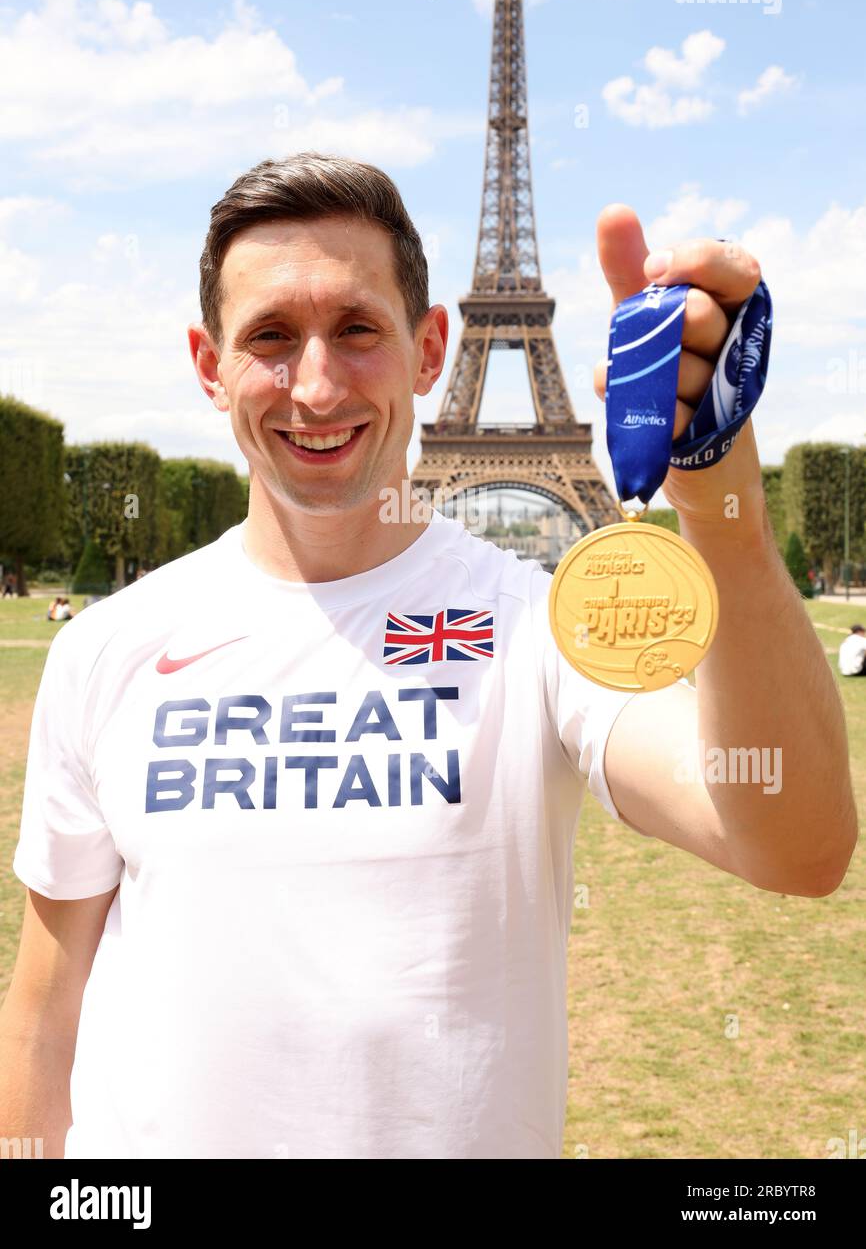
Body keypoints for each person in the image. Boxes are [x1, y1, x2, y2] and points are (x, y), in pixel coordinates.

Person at [0, 153, 857, 1161]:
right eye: (270, 337)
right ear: (208, 364)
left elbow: (794, 847)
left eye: (356, 329)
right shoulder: (107, 648)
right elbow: (43, 1020)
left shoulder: (541, 629)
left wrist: (722, 507)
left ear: (429, 348)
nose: (315, 385)